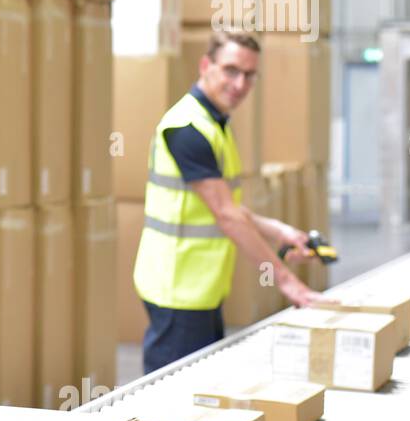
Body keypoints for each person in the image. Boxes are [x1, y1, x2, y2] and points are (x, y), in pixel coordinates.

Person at [133, 30, 325, 374]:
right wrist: (286, 281)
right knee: (173, 406)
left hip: (201, 290)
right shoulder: (186, 128)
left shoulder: (214, 124)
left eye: (250, 75)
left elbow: (226, 206)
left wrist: (278, 231)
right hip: (177, 292)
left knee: (200, 395)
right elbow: (226, 214)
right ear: (206, 65)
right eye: (231, 70)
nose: (240, 84)